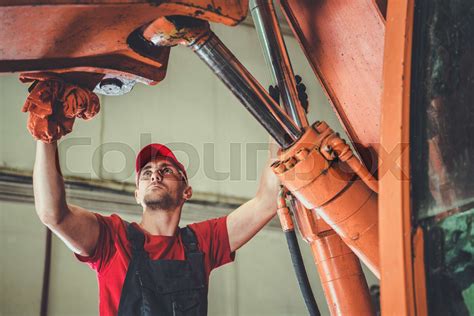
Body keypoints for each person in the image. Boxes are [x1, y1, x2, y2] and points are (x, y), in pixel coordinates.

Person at [33, 139, 280, 315]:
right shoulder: (112, 237)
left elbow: (267, 202)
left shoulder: (202, 242)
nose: (155, 175)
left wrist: (278, 129)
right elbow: (53, 214)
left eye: (166, 170)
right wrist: (46, 138)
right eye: (147, 172)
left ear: (187, 191)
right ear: (137, 194)